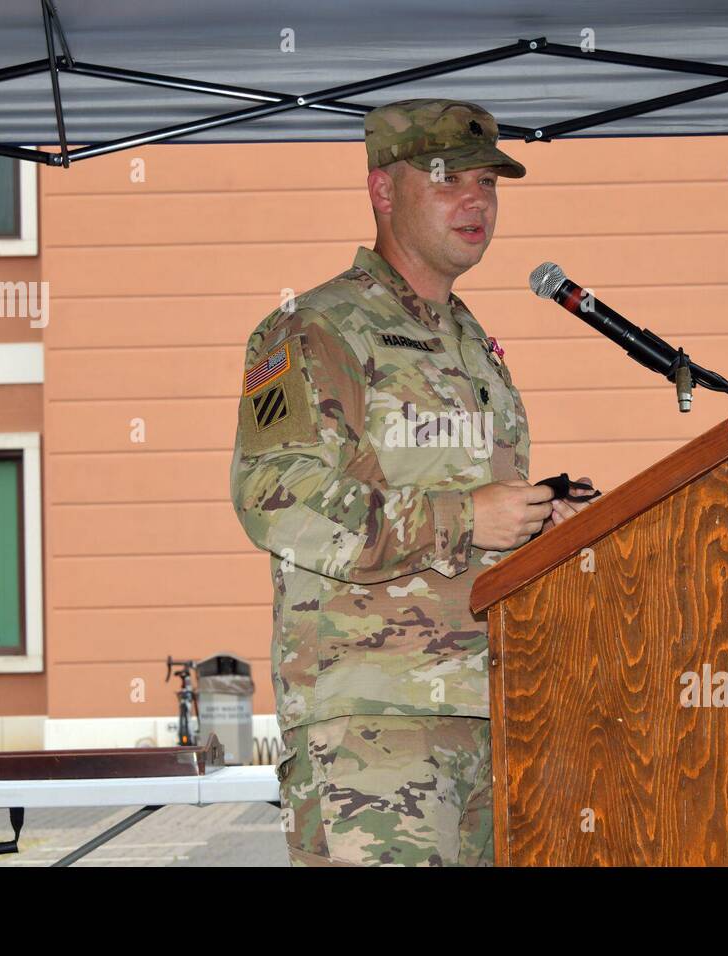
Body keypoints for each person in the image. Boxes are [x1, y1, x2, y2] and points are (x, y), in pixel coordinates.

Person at [230, 98, 597, 866]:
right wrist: (465, 518)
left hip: (493, 711)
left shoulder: (473, 345)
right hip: (374, 724)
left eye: (489, 183)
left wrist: (544, 520)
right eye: (448, 179)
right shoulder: (315, 329)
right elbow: (276, 496)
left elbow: (488, 519)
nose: (477, 200)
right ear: (382, 191)